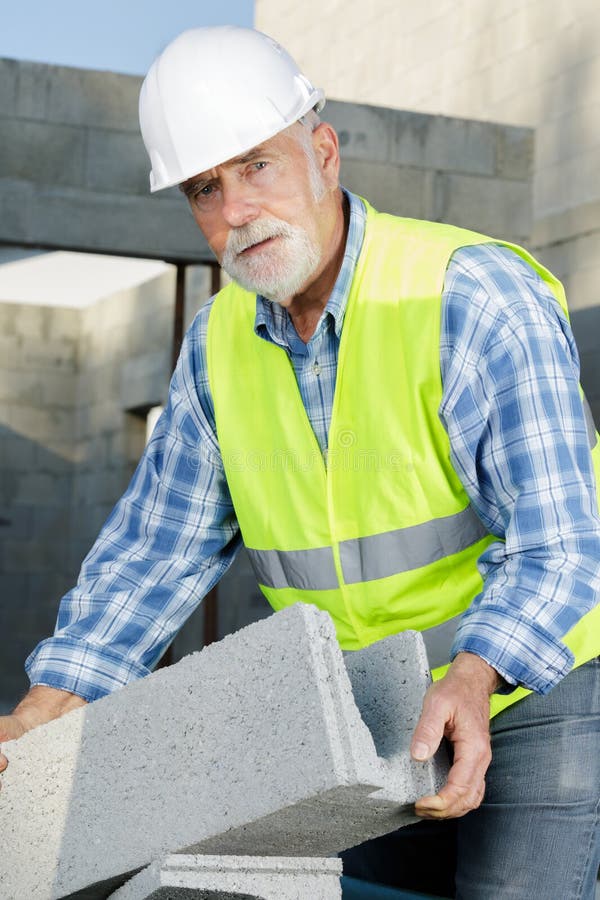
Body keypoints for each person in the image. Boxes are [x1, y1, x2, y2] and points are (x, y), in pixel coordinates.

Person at [1, 25, 599, 899]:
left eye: (257, 167)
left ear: (323, 152)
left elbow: (562, 541)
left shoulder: (466, 296)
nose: (235, 210)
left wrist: (475, 676)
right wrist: (47, 709)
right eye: (205, 188)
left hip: (529, 690)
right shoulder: (216, 348)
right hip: (364, 713)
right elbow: (155, 552)